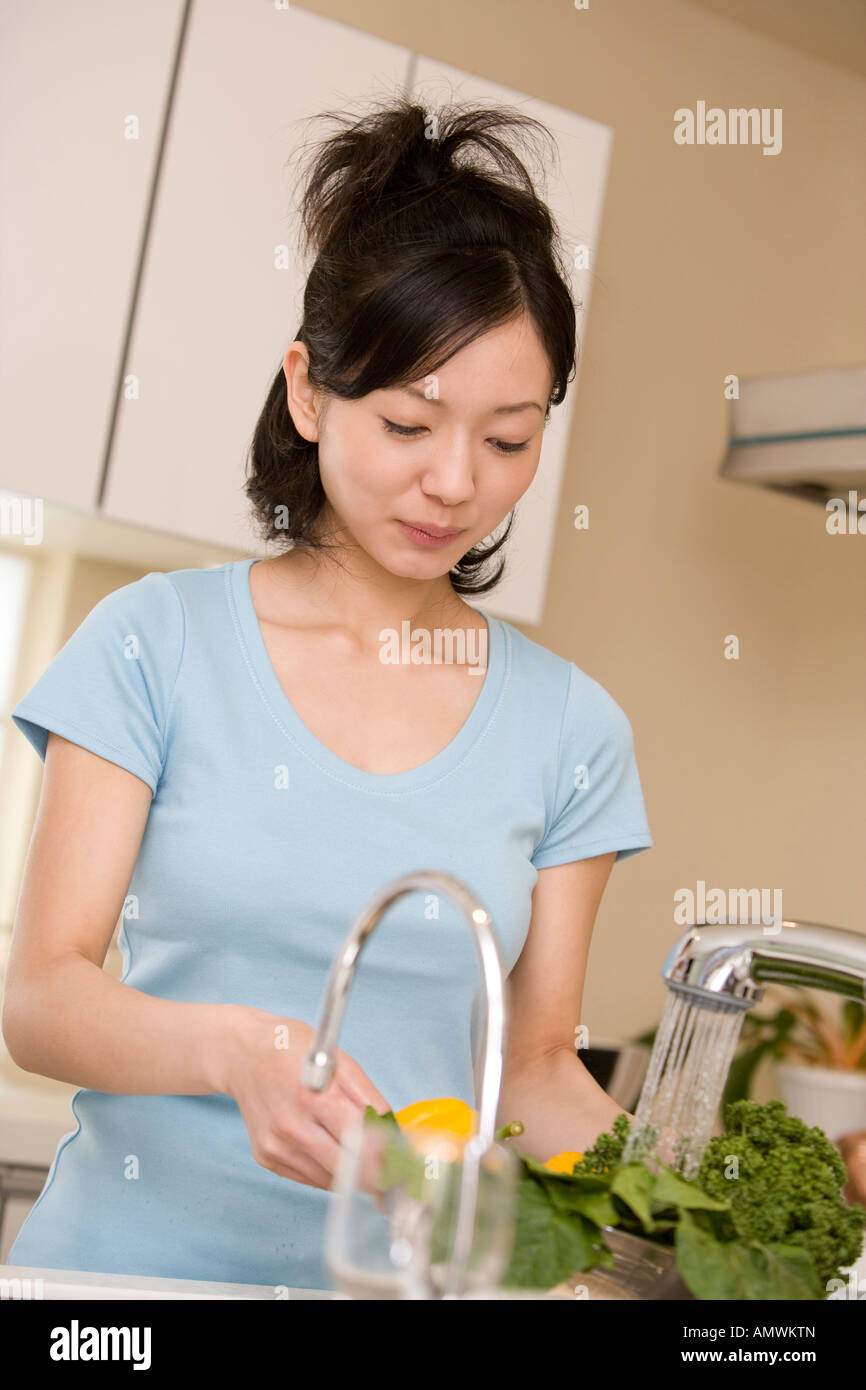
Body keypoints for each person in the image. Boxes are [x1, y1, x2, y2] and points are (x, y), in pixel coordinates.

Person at [2, 96, 652, 1292]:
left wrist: (703, 1223)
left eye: (508, 440)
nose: (454, 481)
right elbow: (40, 1000)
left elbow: (538, 1068)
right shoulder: (152, 644)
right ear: (309, 392)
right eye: (408, 421)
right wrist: (240, 1048)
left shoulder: (571, 729)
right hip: (123, 1291)